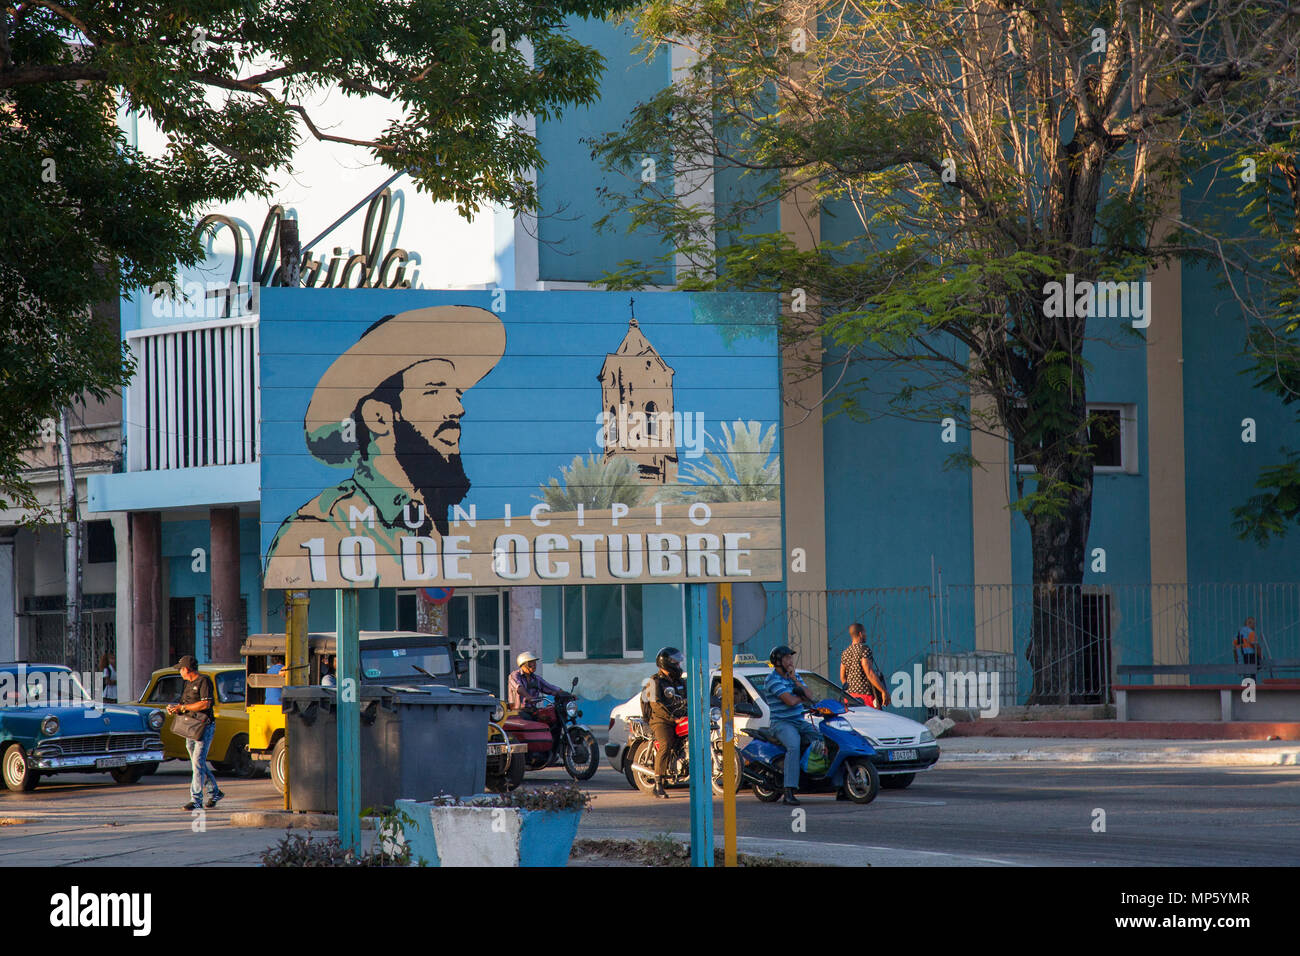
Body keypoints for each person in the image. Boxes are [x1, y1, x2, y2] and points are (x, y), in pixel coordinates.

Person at [265, 306, 506, 586]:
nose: (457, 409)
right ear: (378, 416)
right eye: (433, 391)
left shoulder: (445, 522)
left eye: (457, 394)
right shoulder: (314, 532)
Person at [761, 645, 824, 806]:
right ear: (778, 661)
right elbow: (789, 701)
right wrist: (801, 698)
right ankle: (788, 791)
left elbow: (810, 695)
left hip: (798, 720)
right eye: (787, 658)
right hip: (781, 723)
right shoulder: (772, 680)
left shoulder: (793, 677)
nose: (790, 661)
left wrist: (795, 680)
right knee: (794, 746)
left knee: (821, 737)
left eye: (791, 658)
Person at [166, 655, 223, 811]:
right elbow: (185, 704)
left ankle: (196, 799)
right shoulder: (187, 684)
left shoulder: (204, 681)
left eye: (180, 669)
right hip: (190, 726)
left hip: (203, 727)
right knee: (197, 763)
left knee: (198, 762)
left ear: (186, 669)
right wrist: (175, 708)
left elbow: (206, 703)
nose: (180, 673)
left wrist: (183, 708)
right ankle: (215, 792)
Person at [642, 646, 687, 799]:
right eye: (675, 662)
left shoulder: (679, 681)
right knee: (666, 743)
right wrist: (673, 719)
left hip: (680, 717)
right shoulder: (654, 681)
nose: (678, 665)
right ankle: (658, 783)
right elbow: (656, 705)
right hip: (661, 720)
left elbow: (687, 699)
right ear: (666, 662)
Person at [839, 623, 889, 708]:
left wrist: (851, 688)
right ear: (860, 634)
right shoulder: (864, 649)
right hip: (865, 696)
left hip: (850, 697)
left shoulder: (845, 653)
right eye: (865, 633)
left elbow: (842, 677)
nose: (866, 635)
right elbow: (869, 672)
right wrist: (883, 691)